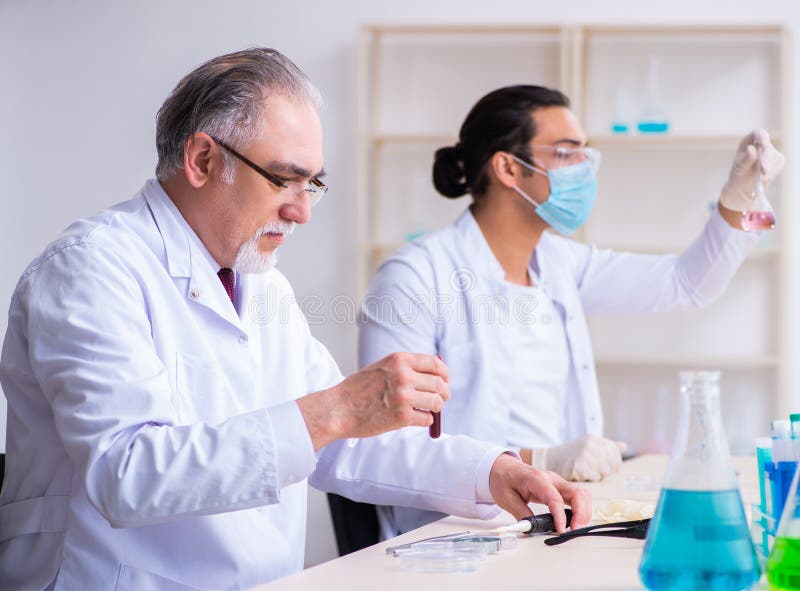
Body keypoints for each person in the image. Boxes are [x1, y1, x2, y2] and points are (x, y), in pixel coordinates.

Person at [0, 54, 591, 590]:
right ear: (203, 159)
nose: (302, 211)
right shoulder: (91, 270)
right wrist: (336, 409)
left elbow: (341, 448)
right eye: (283, 179)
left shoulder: (258, 279)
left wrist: (493, 471)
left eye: (313, 184)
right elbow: (125, 474)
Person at [358, 84, 784, 538]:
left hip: (559, 521)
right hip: (454, 537)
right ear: (507, 168)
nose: (583, 170)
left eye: (586, 154)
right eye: (566, 153)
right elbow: (386, 445)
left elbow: (686, 284)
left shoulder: (563, 263)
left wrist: (738, 201)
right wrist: (535, 460)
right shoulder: (416, 277)